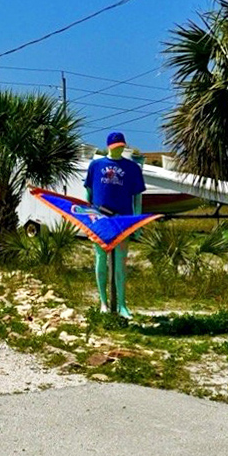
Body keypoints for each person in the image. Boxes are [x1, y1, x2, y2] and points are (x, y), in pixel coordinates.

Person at [84, 131, 145, 318]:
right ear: (109, 147)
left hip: (123, 219)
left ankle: (122, 305)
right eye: (115, 146)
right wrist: (88, 217)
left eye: (121, 146)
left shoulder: (133, 168)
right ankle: (103, 302)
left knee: (120, 263)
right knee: (100, 259)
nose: (118, 149)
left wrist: (138, 224)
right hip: (100, 219)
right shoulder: (96, 165)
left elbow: (137, 199)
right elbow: (88, 194)